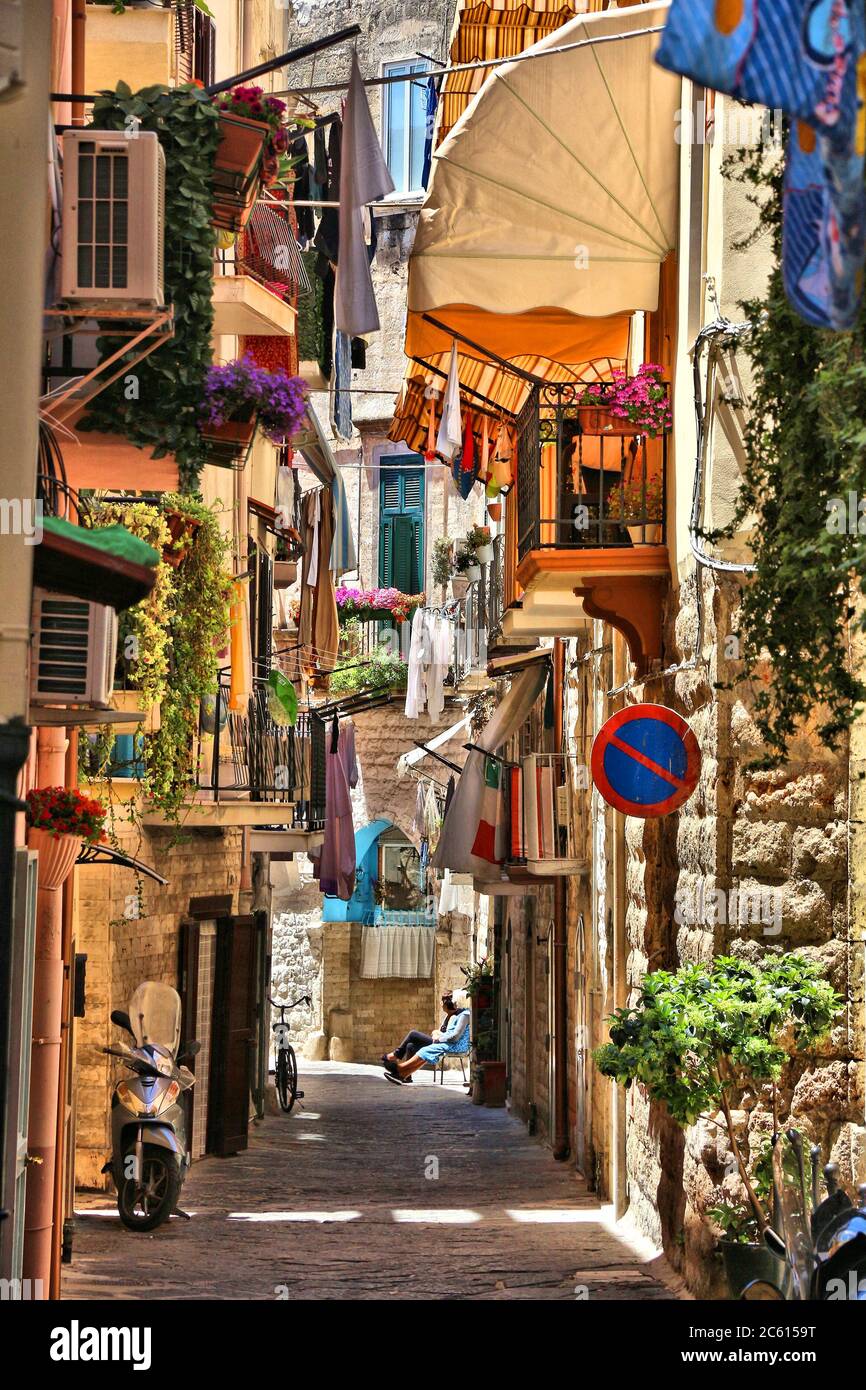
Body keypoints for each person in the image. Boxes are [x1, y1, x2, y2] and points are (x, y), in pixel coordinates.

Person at [383, 989, 471, 1086]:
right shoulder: (455, 1015)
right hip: (450, 1043)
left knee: (421, 1045)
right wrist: (437, 1035)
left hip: (456, 1045)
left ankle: (399, 1068)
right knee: (413, 1047)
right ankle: (403, 1075)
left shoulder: (464, 1015)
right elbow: (447, 1033)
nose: (454, 1002)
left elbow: (455, 1036)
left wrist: (439, 1039)